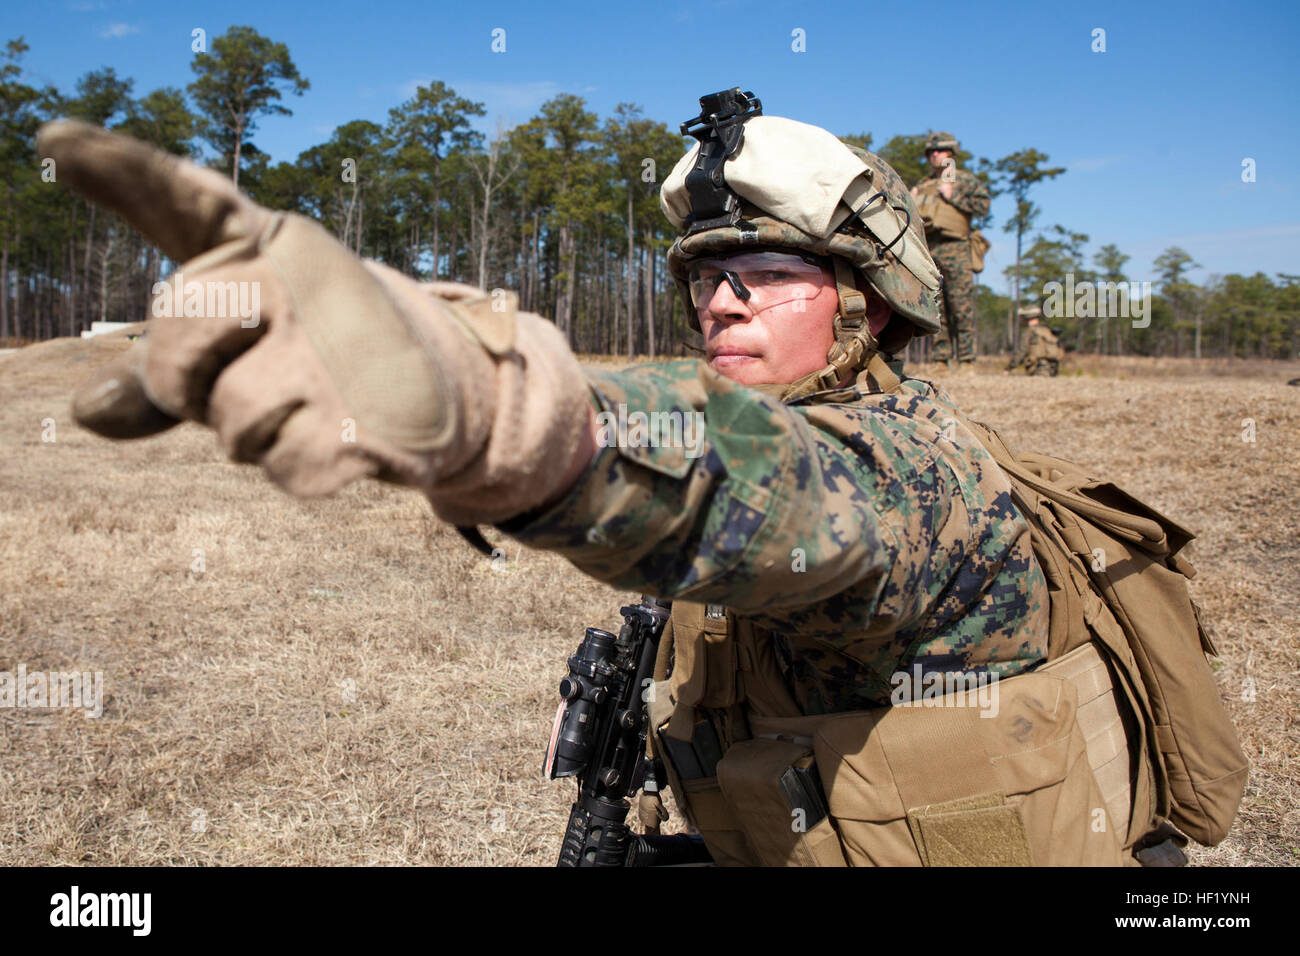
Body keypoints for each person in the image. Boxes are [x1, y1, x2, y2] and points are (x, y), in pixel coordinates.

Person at [41, 89, 1136, 867]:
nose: (720, 301)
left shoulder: (907, 467)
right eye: (705, 275)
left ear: (872, 302)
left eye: (765, 273)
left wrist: (493, 415)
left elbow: (760, 491)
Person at [910, 132, 989, 368]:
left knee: (961, 305)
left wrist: (954, 197)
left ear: (951, 153)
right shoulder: (923, 185)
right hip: (929, 248)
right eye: (931, 152)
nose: (935, 155)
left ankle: (966, 360)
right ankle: (941, 359)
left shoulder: (964, 181)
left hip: (956, 247)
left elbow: (983, 206)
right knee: (936, 307)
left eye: (941, 150)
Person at [1005, 305, 1064, 376]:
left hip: (1038, 369)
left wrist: (1009, 368)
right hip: (1053, 369)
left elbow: (1021, 351)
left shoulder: (1030, 332)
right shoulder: (1047, 331)